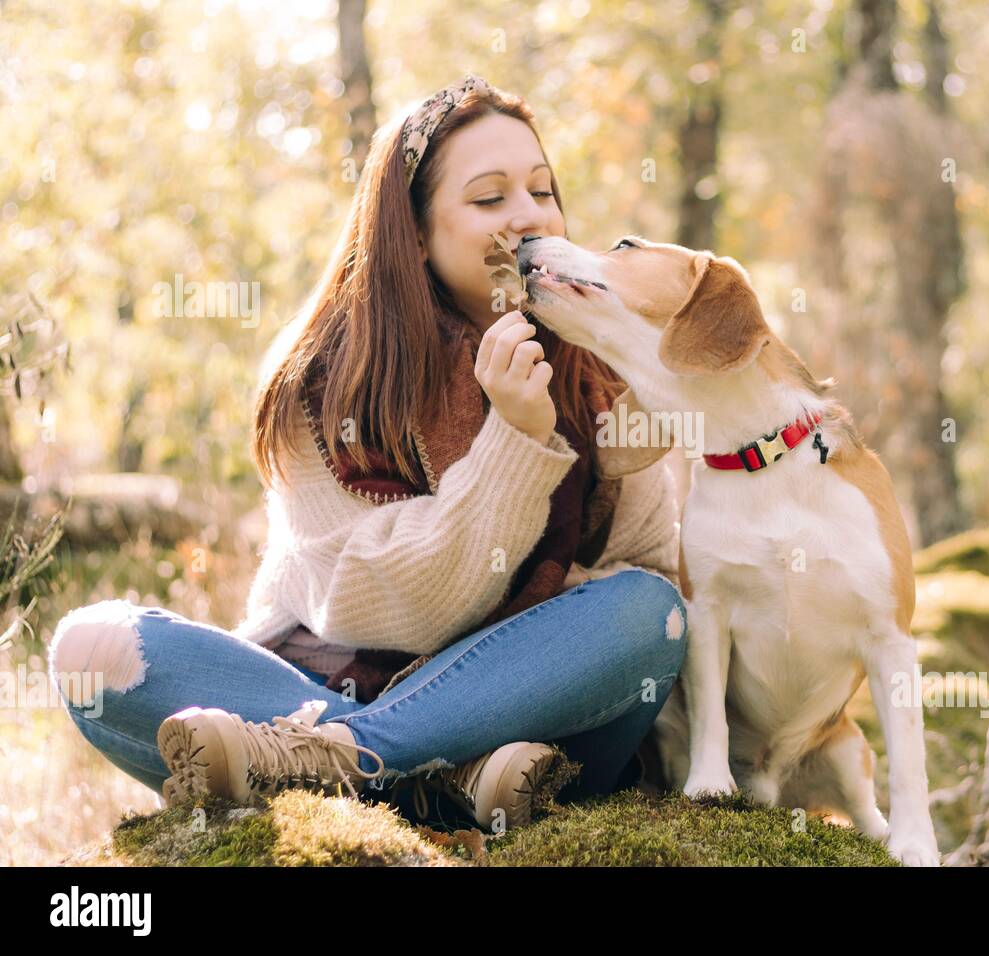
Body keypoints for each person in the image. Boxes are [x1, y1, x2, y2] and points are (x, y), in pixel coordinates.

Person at [48, 74, 687, 832]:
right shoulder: (322, 376)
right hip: (320, 681)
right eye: (489, 199)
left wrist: (534, 623)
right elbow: (388, 608)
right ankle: (438, 778)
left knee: (650, 613)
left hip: (528, 711)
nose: (529, 217)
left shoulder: (598, 371)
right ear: (413, 233)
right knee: (93, 650)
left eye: (543, 192)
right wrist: (514, 444)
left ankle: (328, 763)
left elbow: (649, 576)